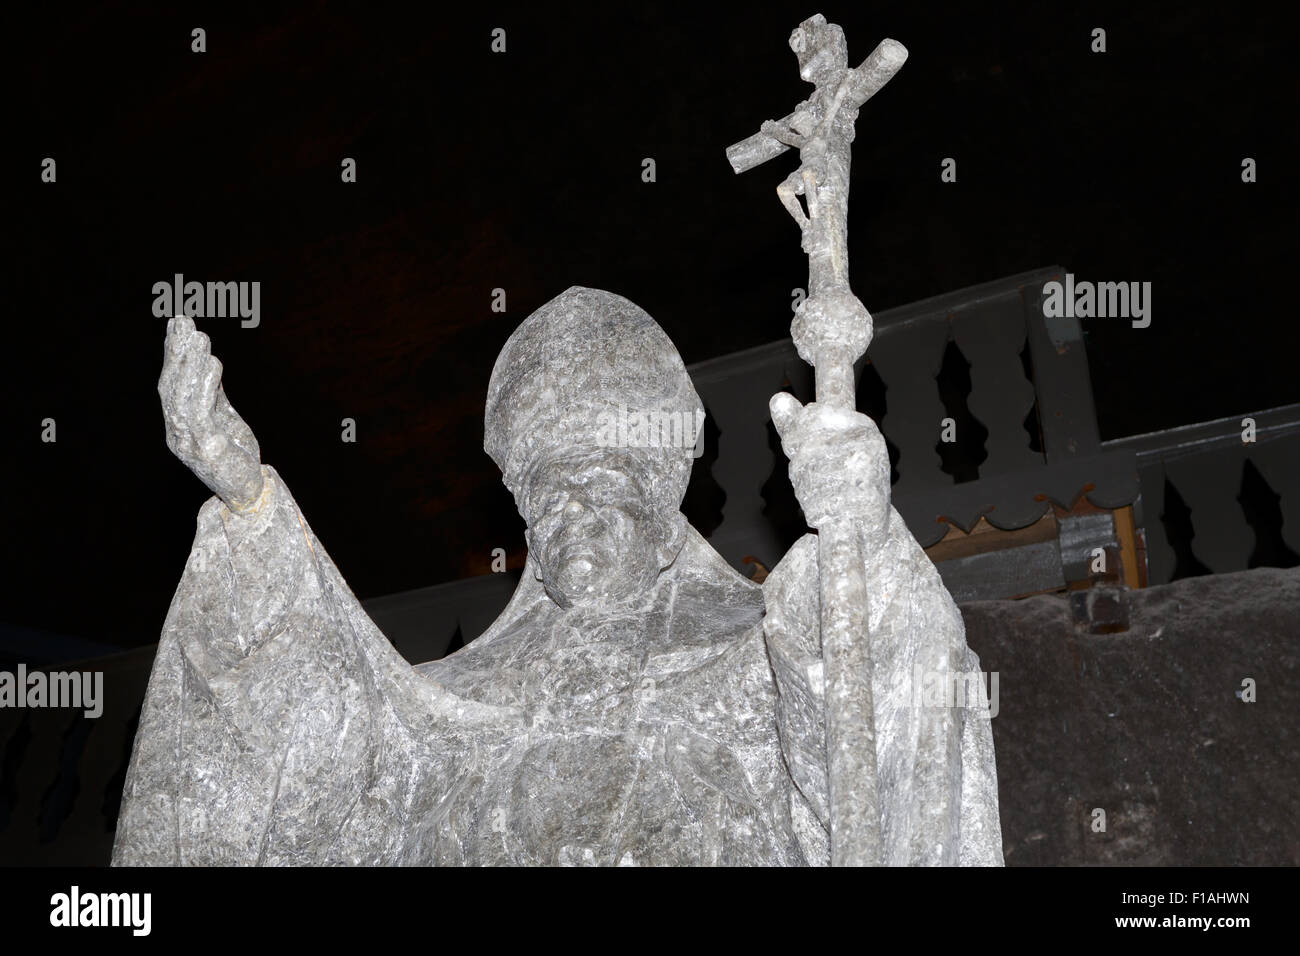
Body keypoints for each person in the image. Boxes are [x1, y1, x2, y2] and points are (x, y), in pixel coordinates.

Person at [113, 286, 1002, 866]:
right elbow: (338, 744)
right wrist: (250, 502)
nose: (571, 513)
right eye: (549, 497)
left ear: (661, 517)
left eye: (600, 487)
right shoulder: (460, 701)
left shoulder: (760, 648)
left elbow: (890, 714)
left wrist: (860, 535)